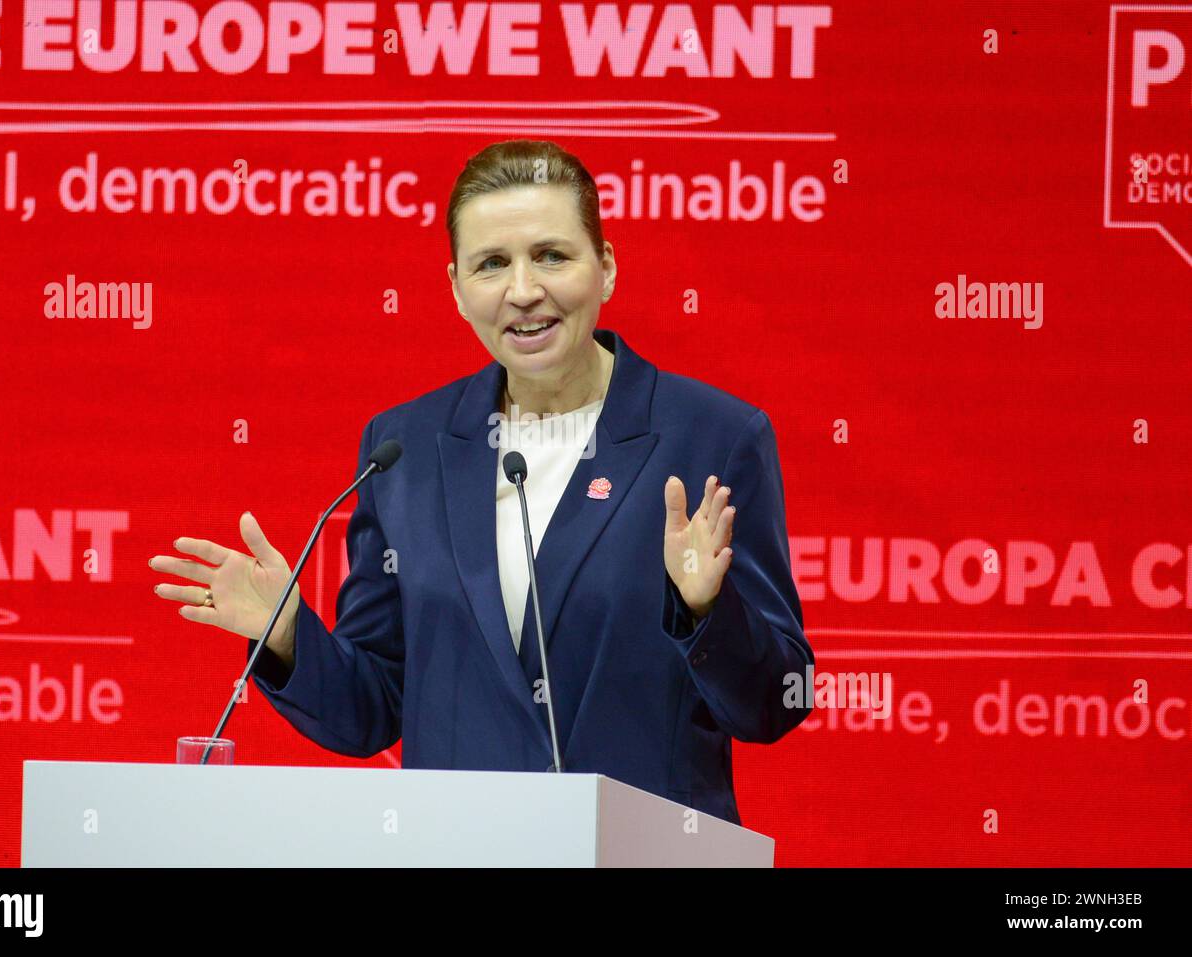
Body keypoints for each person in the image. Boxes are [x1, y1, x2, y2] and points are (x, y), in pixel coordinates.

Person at [148, 139, 813, 827]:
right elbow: (374, 707)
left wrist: (708, 614)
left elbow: (777, 704)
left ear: (607, 267)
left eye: (551, 255)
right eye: (491, 264)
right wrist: (287, 637)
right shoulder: (402, 448)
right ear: (457, 289)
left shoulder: (714, 437)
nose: (524, 290)